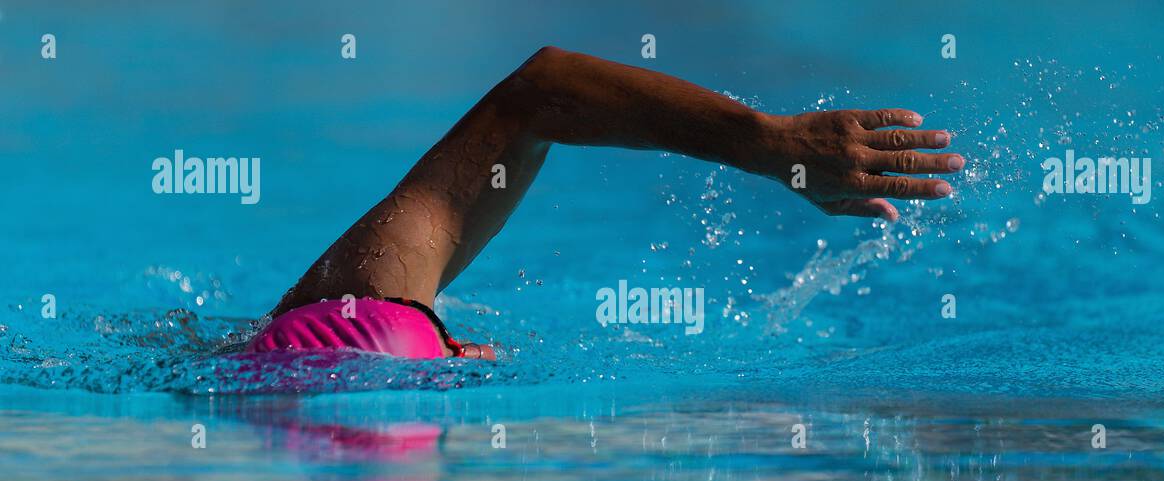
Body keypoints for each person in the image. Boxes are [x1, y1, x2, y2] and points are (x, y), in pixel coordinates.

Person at [248, 47, 964, 361]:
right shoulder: (354, 295)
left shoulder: (335, 309)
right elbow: (542, 90)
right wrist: (769, 143)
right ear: (456, 351)